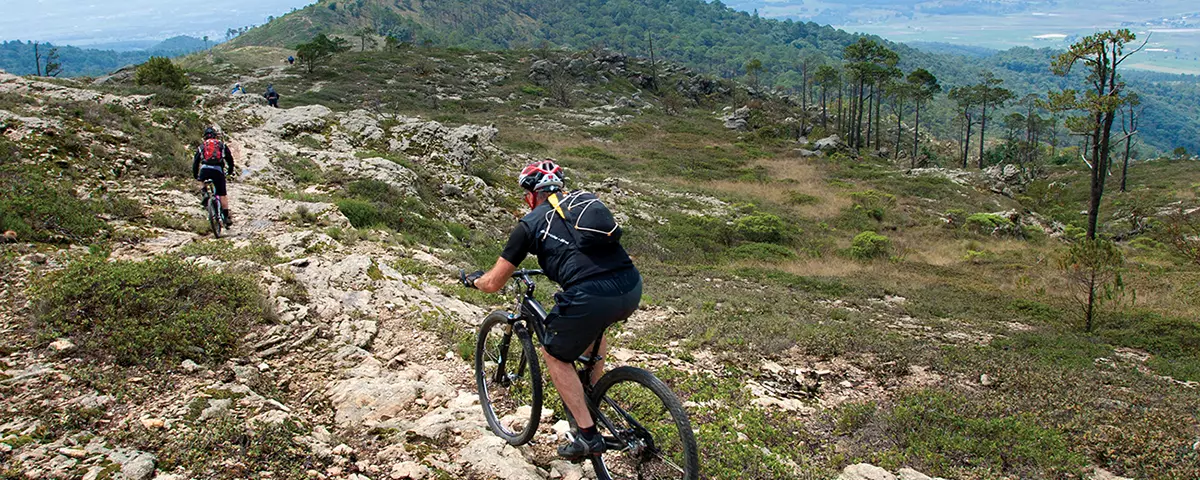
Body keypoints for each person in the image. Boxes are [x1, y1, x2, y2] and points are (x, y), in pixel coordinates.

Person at [463, 159, 642, 461]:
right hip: (631, 286)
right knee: (592, 326)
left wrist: (474, 281)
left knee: (555, 355)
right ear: (560, 188)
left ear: (530, 196)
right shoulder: (582, 205)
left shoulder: (530, 223)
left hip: (591, 296)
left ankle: (588, 436)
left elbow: (493, 283)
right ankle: (594, 394)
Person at [192, 127, 236, 226]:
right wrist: (230, 170)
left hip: (204, 169)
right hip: (217, 170)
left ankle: (204, 193)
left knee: (201, 180)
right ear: (215, 136)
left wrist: (196, 175)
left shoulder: (202, 146)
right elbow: (229, 159)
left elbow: (195, 162)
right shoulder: (221, 145)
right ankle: (226, 218)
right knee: (222, 194)